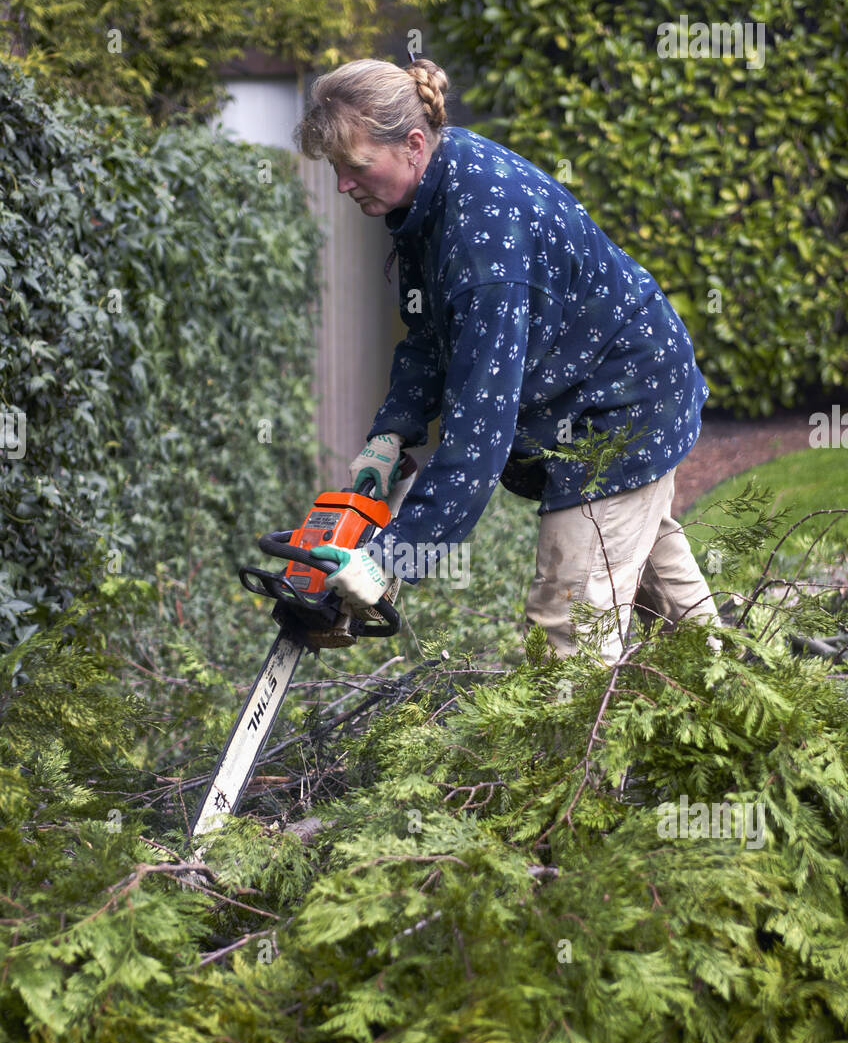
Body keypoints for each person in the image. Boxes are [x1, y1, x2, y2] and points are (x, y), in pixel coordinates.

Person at [295, 56, 722, 665]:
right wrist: (392, 432)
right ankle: (749, 722)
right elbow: (427, 332)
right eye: (337, 169)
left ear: (413, 144)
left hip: (621, 408)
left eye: (356, 166)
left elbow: (478, 432)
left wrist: (392, 558)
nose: (342, 184)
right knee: (680, 628)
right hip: (593, 391)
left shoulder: (481, 240)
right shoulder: (434, 186)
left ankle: (577, 763)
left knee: (568, 626)